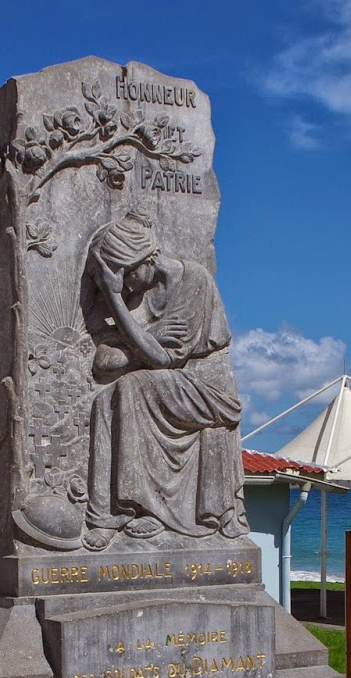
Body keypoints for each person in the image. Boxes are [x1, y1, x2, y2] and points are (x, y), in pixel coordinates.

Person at [81, 211, 248, 550]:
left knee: (133, 386)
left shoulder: (193, 281)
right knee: (103, 401)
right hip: (170, 386)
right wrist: (150, 335)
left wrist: (117, 304)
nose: (122, 285)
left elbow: (162, 359)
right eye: (116, 280)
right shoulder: (134, 295)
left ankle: (143, 507)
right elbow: (103, 362)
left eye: (124, 275)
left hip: (208, 391)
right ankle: (105, 514)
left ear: (147, 260)